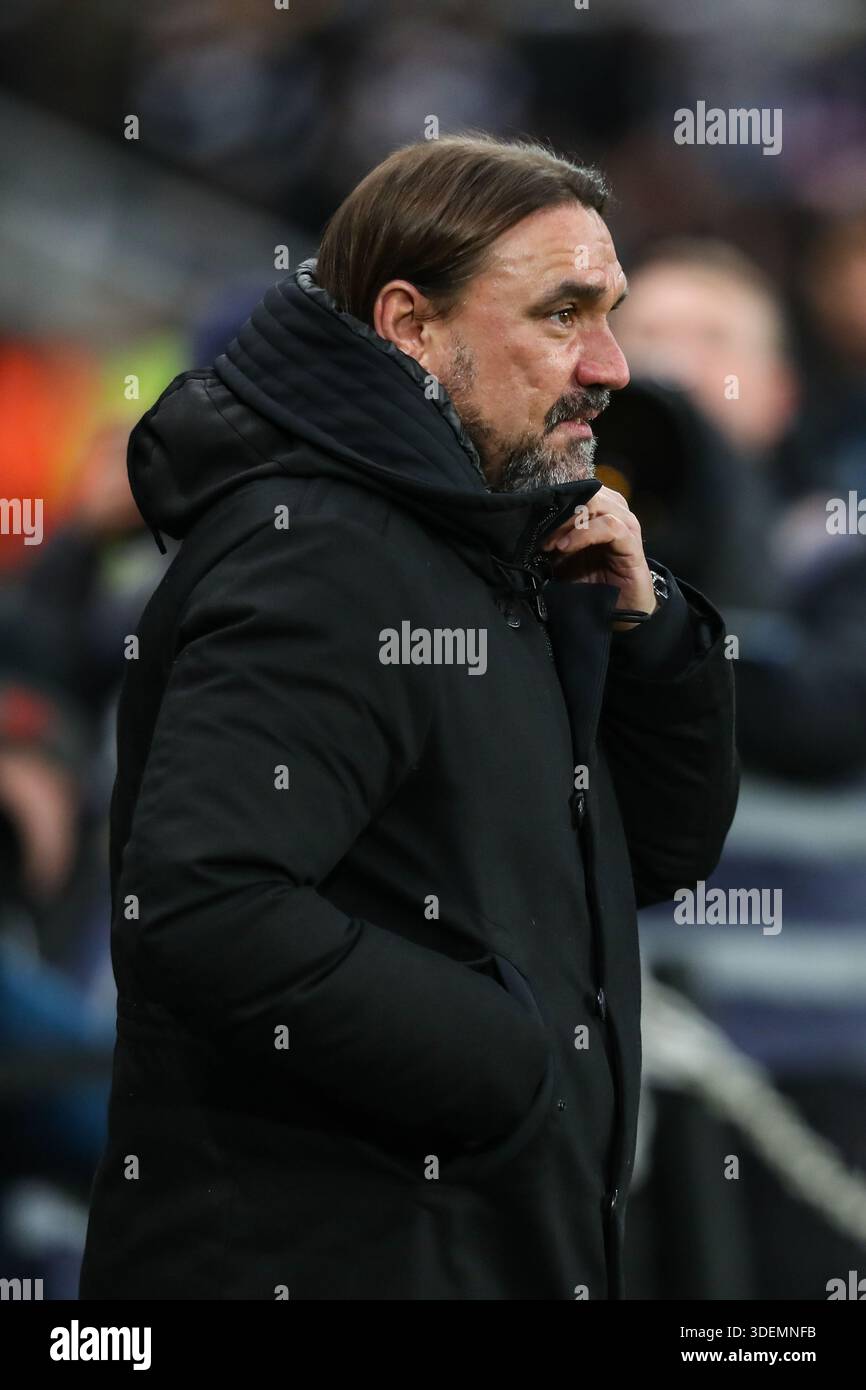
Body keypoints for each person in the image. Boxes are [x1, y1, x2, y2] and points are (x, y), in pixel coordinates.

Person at [78, 134, 737, 1301]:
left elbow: (647, 859)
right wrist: (504, 1064)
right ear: (409, 327)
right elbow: (202, 902)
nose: (612, 365)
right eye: (561, 314)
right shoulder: (324, 549)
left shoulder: (490, 540)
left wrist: (655, 641)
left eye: (611, 312)